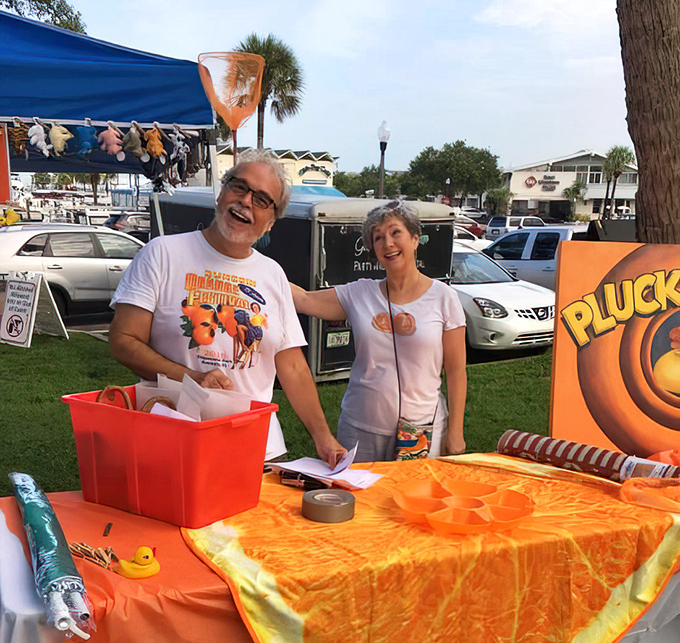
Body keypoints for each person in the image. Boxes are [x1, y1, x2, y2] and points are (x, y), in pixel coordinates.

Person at [108, 150, 345, 467]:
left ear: (271, 223)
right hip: (172, 442)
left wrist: (323, 437)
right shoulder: (162, 253)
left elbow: (293, 367)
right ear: (221, 193)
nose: (246, 201)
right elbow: (124, 340)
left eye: (262, 200)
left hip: (255, 449)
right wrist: (192, 377)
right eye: (239, 186)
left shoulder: (272, 274)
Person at [291, 200, 467, 462]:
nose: (388, 243)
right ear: (373, 248)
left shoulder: (444, 298)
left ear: (415, 239)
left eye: (396, 233)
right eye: (378, 238)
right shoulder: (359, 293)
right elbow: (304, 299)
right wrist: (258, 272)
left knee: (413, 501)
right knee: (362, 501)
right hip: (361, 428)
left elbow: (455, 371)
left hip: (423, 429)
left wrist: (456, 432)